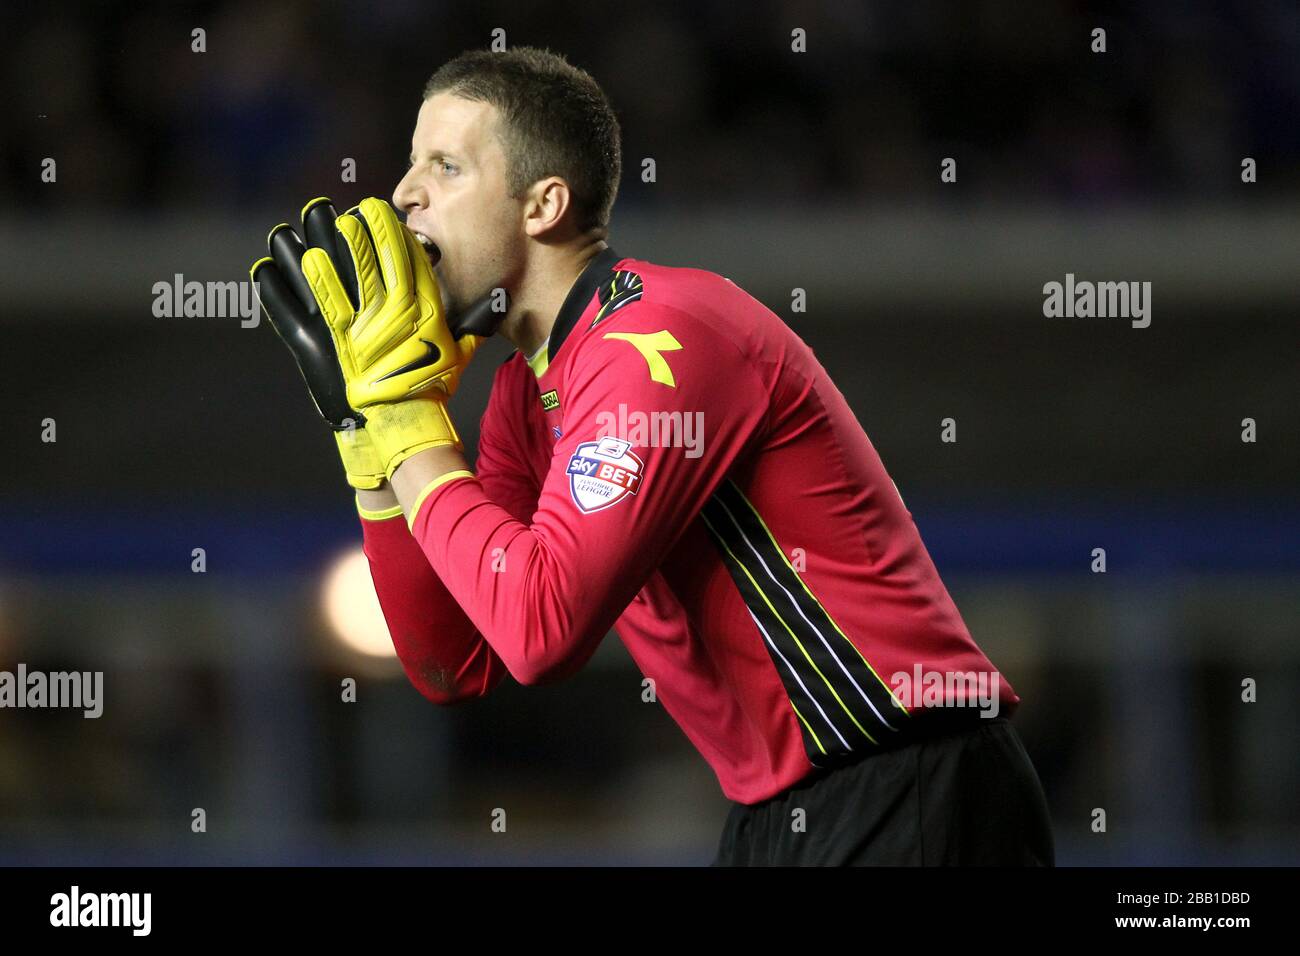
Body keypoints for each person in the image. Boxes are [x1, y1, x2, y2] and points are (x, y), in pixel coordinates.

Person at [252, 46, 1054, 866]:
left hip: (909, 785)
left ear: (544, 205)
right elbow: (454, 659)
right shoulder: (527, 396)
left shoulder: (655, 340)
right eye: (411, 163)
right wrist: (367, 445)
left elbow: (540, 629)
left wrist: (408, 425)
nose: (403, 193)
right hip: (779, 814)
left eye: (446, 166)